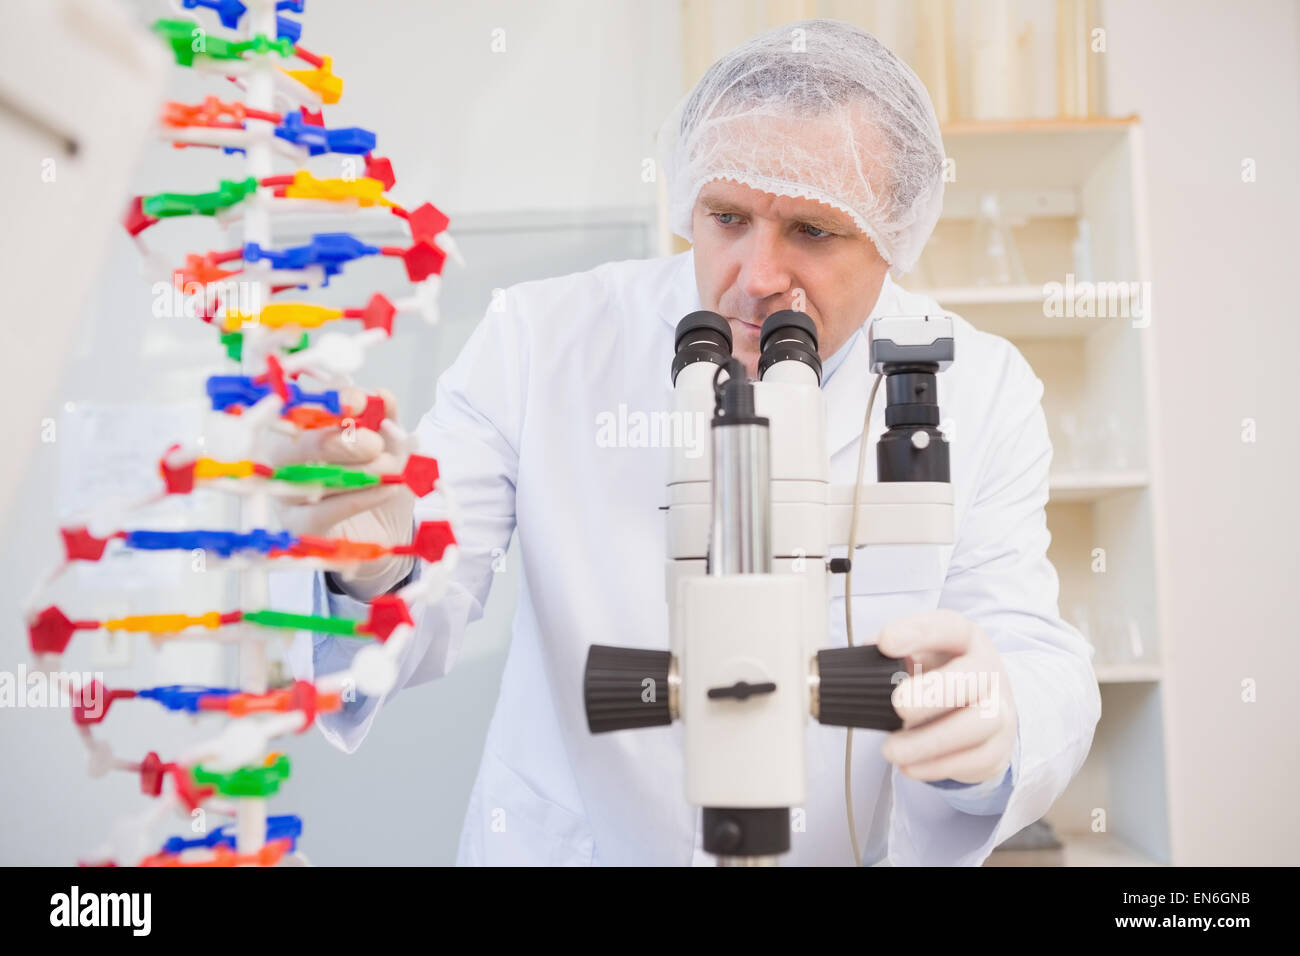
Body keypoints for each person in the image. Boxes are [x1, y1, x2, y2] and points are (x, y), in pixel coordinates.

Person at [274, 18, 1100, 865]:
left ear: (894, 237)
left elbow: (1028, 644)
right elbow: (432, 554)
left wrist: (1001, 715)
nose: (757, 275)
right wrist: (372, 562)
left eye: (813, 231)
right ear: (690, 199)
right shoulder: (543, 338)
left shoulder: (981, 386)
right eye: (728, 216)